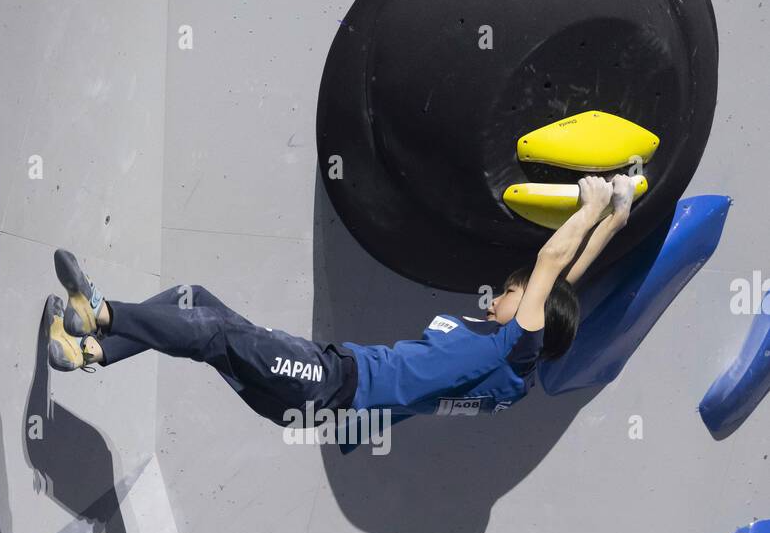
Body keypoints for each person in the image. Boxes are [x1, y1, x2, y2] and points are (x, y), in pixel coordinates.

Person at [43, 175, 636, 434]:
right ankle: (91, 349)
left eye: (514, 292)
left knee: (216, 336)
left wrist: (587, 206)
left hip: (327, 383)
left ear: (531, 316)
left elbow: (552, 266)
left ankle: (104, 312)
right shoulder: (514, 378)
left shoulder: (513, 344)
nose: (505, 294)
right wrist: (617, 216)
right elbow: (564, 284)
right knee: (193, 305)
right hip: (319, 409)